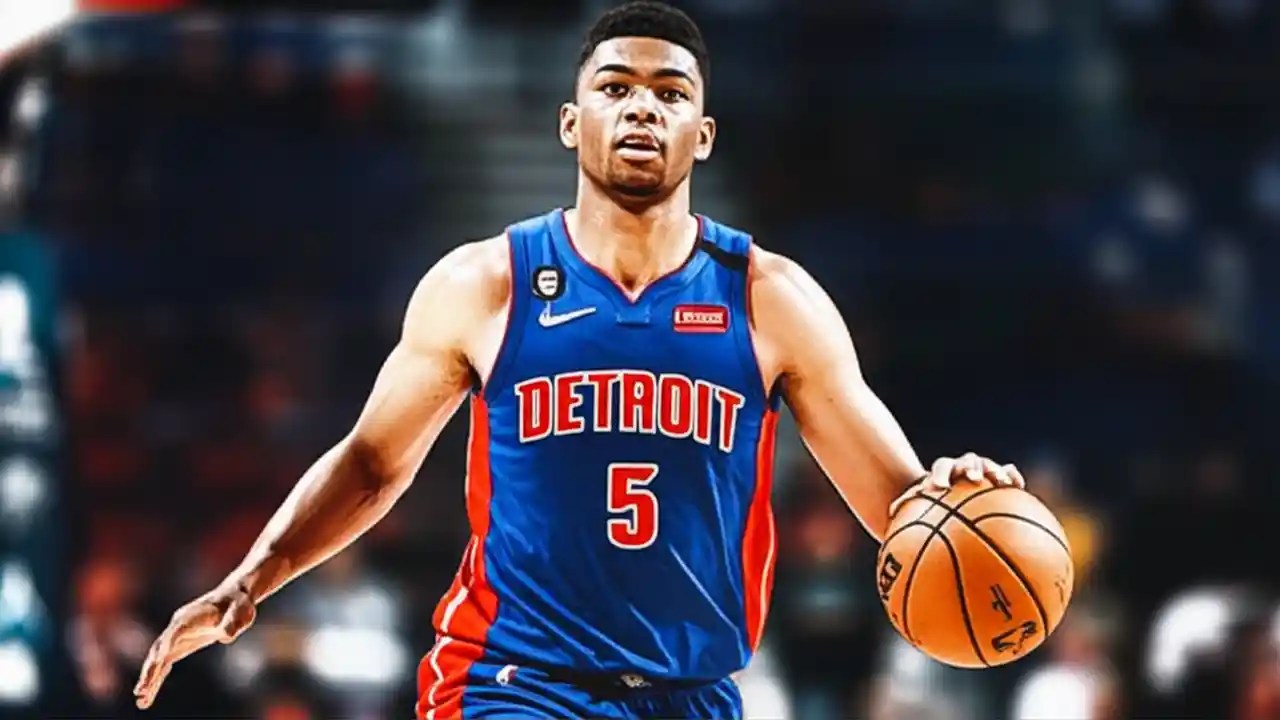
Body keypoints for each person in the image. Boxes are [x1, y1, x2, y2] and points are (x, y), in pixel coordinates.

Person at [132, 3, 1025, 718]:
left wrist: (952, 491)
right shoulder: (486, 283)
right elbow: (371, 462)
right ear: (570, 122)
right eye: (616, 86)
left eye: (672, 92)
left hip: (694, 695)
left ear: (703, 135)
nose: (643, 106)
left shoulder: (770, 297)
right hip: (513, 681)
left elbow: (899, 506)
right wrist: (253, 579)